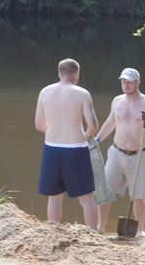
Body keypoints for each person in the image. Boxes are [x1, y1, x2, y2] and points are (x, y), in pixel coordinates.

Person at [96, 67, 145, 235]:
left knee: (138, 196)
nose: (126, 85)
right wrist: (96, 140)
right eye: (123, 82)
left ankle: (140, 230)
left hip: (140, 155)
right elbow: (110, 123)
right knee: (105, 191)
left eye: (129, 82)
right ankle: (100, 228)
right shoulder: (117, 101)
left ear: (138, 83)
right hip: (116, 153)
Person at [34, 58, 101, 229]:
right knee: (86, 197)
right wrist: (86, 136)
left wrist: (54, 130)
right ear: (76, 74)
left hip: (52, 148)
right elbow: (93, 125)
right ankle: (93, 236)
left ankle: (54, 233)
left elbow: (39, 125)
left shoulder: (45, 92)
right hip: (76, 149)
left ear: (59, 73)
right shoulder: (82, 93)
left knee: (54, 197)